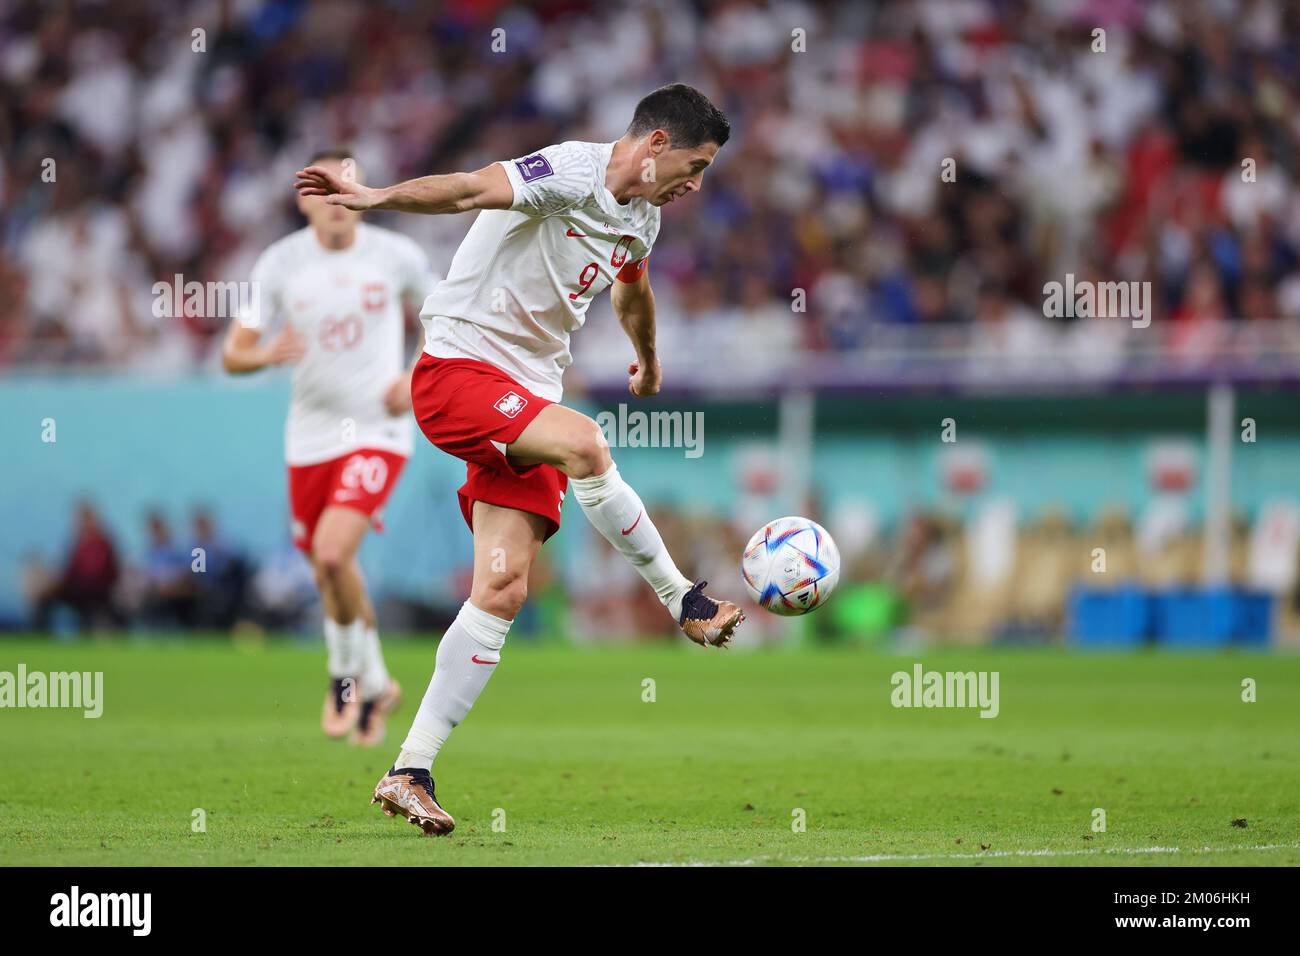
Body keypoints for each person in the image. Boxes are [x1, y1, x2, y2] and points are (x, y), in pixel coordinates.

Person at [295, 83, 744, 836]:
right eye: (696, 162)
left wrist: (648, 360)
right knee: (587, 444)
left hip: (524, 399)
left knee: (502, 590)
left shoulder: (643, 220)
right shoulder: (570, 171)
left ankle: (410, 768)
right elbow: (471, 188)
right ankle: (683, 602)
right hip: (459, 373)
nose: (698, 182)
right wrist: (373, 197)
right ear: (657, 144)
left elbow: (632, 293)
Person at [224, 149, 439, 746]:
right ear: (304, 200)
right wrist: (266, 354)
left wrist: (417, 373)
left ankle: (344, 678)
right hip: (309, 437)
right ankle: (377, 683)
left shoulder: (397, 256)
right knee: (330, 571)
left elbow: (447, 315)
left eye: (348, 186)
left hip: (378, 430)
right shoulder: (279, 264)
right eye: (323, 189)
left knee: (332, 553)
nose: (337, 199)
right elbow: (231, 353)